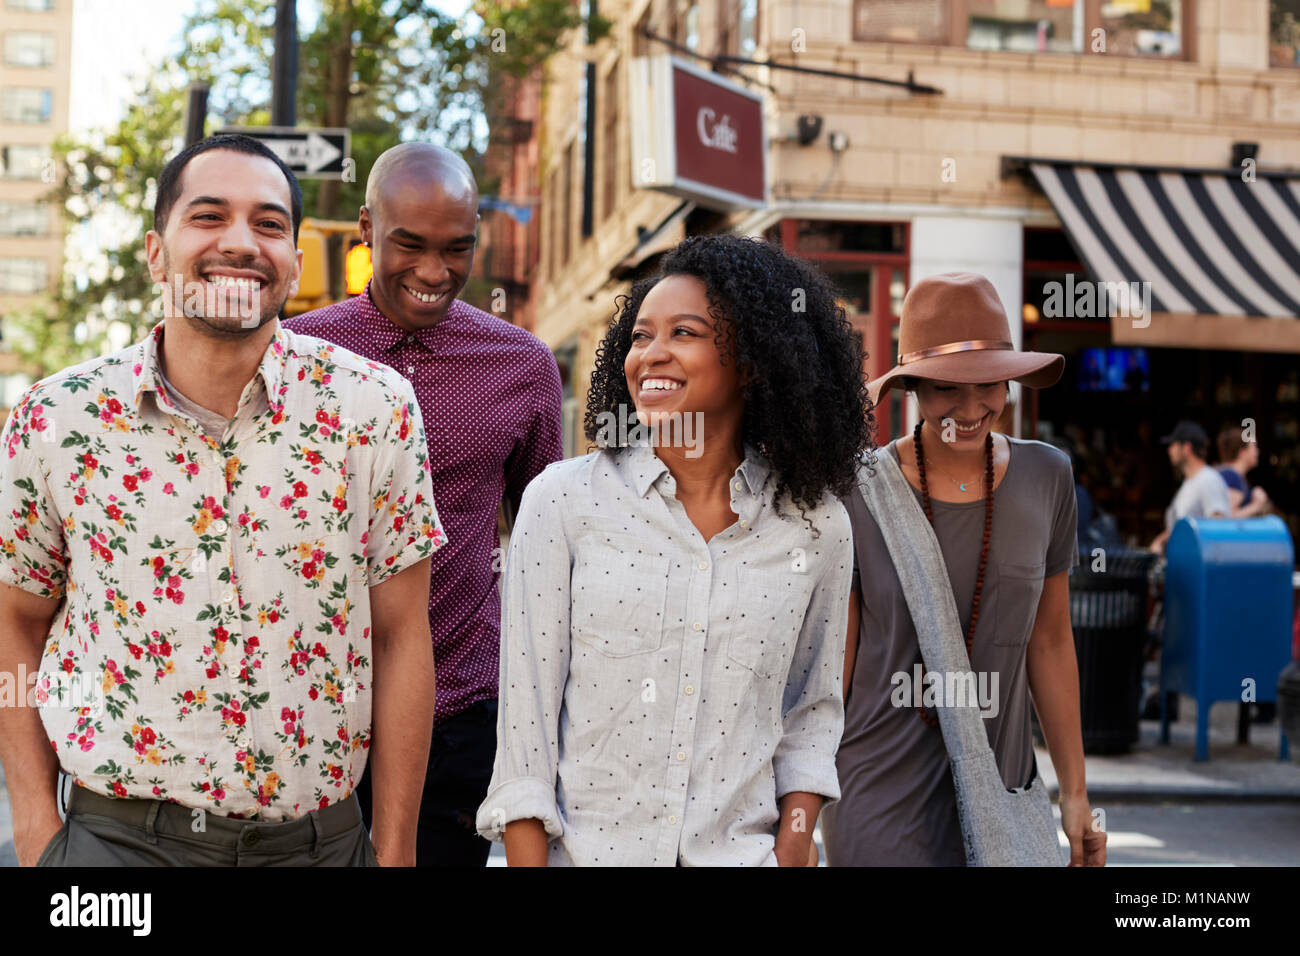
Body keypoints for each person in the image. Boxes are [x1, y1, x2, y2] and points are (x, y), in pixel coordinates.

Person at [0, 134, 444, 867]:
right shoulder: (58, 420)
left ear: (295, 262)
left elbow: (402, 638)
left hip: (319, 847)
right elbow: (14, 622)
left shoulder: (375, 408)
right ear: (155, 252)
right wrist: (38, 835)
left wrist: (393, 853)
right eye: (209, 216)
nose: (241, 242)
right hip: (116, 848)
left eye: (269, 224)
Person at [474, 235, 870, 865]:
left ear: (753, 362)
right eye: (639, 336)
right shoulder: (564, 502)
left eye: (684, 333)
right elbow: (526, 729)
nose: (651, 355)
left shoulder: (816, 524)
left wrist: (796, 841)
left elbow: (813, 709)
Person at [286, 142, 562, 867]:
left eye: (457, 248)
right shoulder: (294, 355)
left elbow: (547, 548)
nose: (435, 272)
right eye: (410, 245)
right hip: (311, 708)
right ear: (366, 228)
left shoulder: (521, 365)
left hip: (459, 712)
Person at [821, 272, 1106, 867]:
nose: (973, 409)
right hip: (879, 793)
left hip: (1001, 791)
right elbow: (834, 668)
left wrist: (1075, 794)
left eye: (990, 385)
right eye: (948, 388)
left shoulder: (1047, 478)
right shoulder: (857, 489)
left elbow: (1050, 641)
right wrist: (801, 802)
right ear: (914, 388)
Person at [1149, 421, 1231, 554]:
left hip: (1199, 566)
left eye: (1173, 445)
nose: (1169, 450)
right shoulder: (1189, 482)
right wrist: (1161, 540)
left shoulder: (1208, 479)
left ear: (1186, 448)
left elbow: (1218, 524)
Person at [1216, 425, 1270, 518]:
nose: (1257, 452)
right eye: (1254, 447)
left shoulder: (1230, 475)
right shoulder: (1232, 477)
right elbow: (1228, 517)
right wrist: (1256, 505)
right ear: (1242, 452)